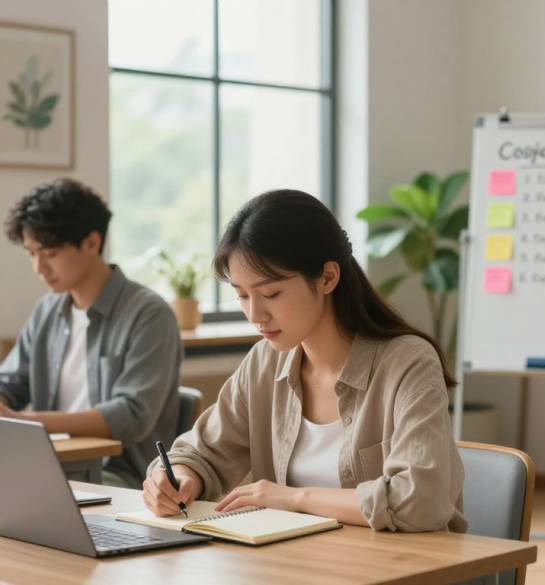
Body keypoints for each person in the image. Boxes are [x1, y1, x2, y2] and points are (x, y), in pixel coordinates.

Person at [142, 189, 465, 532]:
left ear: (327, 277)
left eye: (271, 294)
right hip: (299, 565)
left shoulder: (408, 364)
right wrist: (176, 477)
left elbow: (419, 500)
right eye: (242, 296)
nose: (255, 314)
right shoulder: (264, 364)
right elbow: (202, 453)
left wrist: (294, 498)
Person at [0, 178, 182, 488]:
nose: (38, 267)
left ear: (92, 243)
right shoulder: (48, 311)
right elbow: (12, 383)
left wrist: (28, 423)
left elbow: (132, 415)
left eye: (50, 252)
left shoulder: (149, 314)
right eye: (31, 253)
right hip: (53, 463)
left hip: (121, 477)